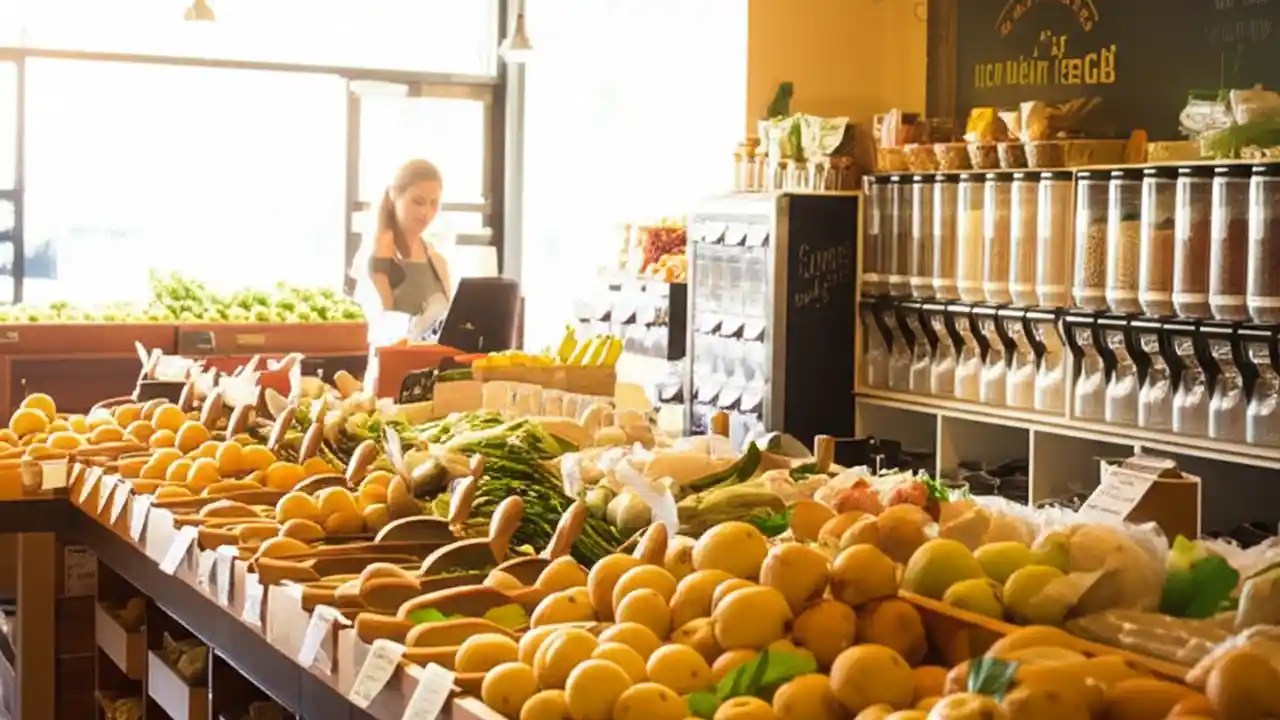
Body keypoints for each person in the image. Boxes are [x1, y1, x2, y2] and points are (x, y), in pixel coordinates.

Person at [351, 159, 453, 343]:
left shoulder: (436, 258)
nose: (426, 212)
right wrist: (381, 261)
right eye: (418, 202)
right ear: (394, 196)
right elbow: (380, 325)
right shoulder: (378, 253)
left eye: (433, 203)